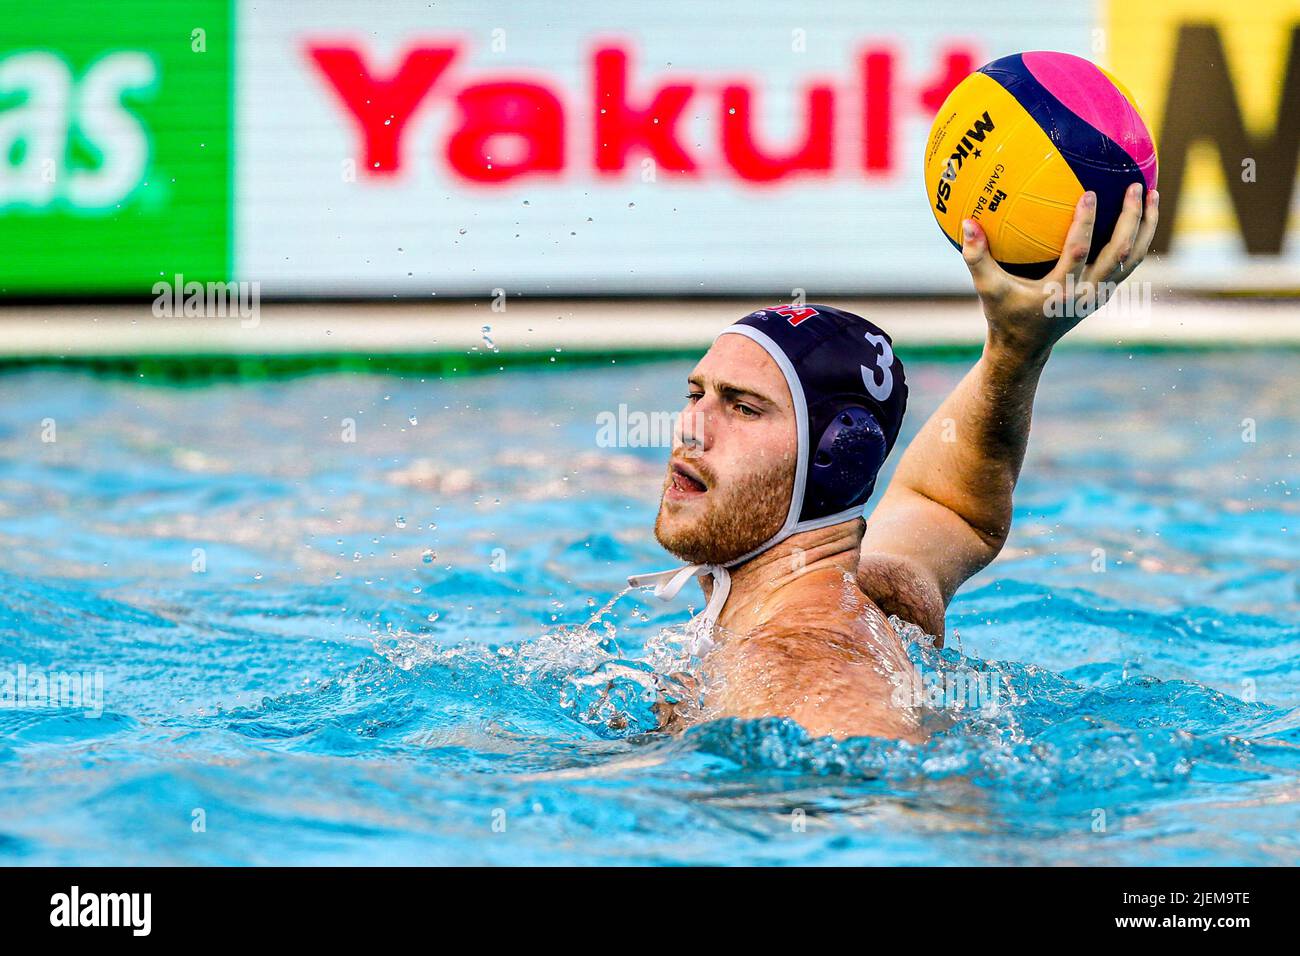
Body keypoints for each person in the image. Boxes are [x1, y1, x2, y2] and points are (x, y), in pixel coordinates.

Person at [631, 184, 1159, 741]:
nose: (692, 427)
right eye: (696, 395)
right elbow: (950, 506)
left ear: (835, 454)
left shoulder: (801, 686)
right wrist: (1018, 347)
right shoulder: (885, 588)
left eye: (742, 407)